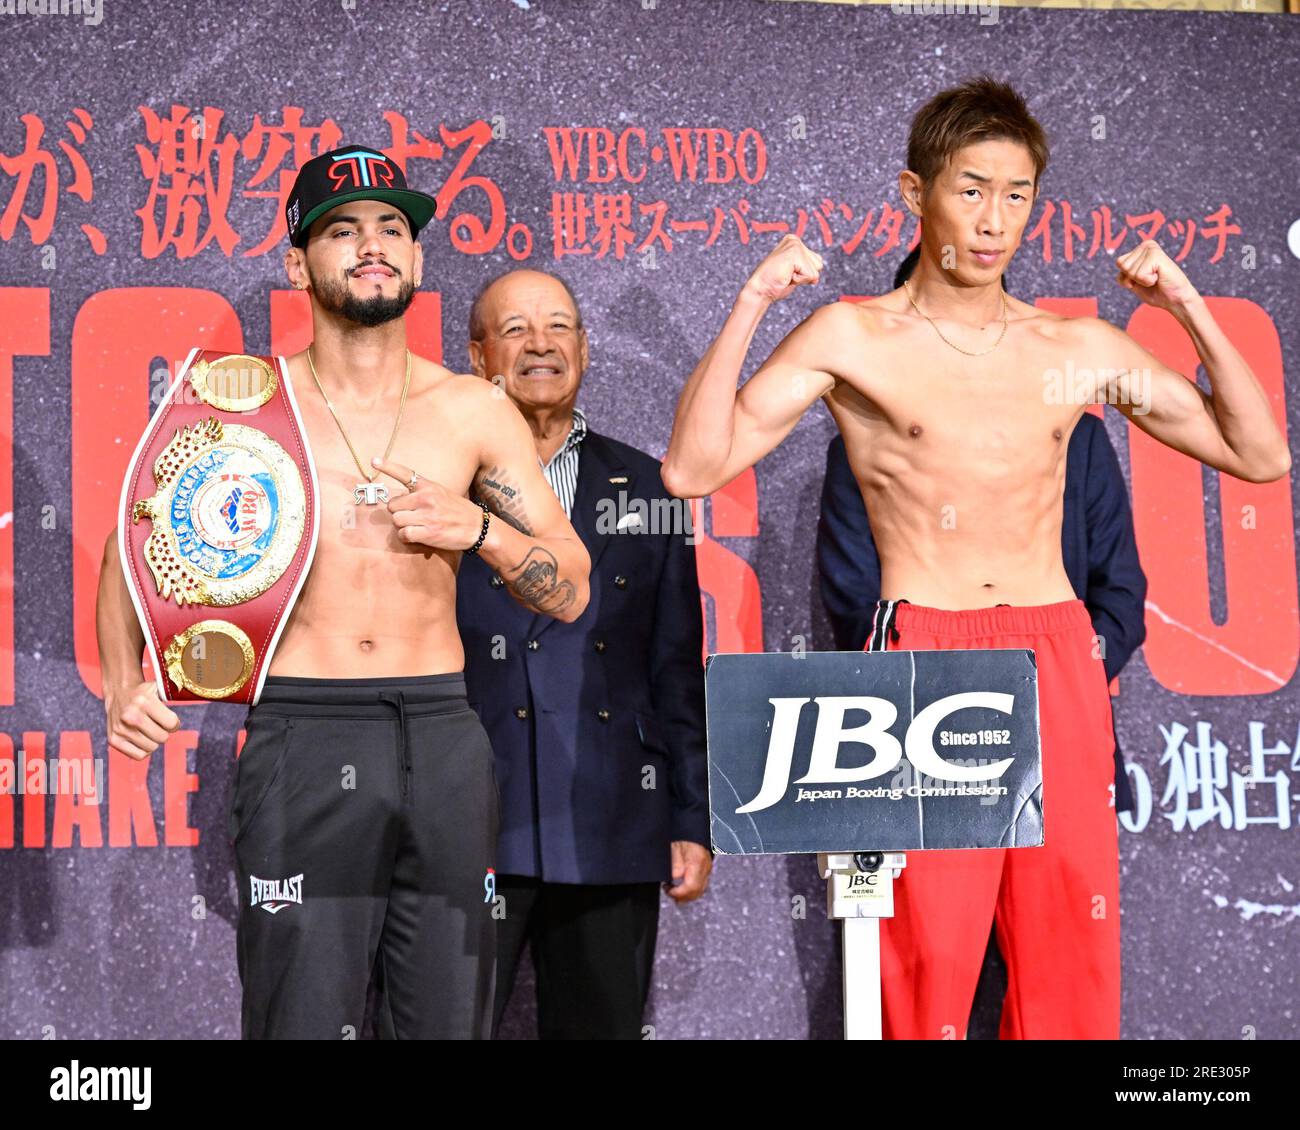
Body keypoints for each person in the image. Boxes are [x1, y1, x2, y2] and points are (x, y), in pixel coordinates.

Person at [660, 77, 1289, 1040]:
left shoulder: (1068, 346)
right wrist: (751, 300)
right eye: (971, 189)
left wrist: (1185, 302)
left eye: (1017, 195)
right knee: (928, 971)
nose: (994, 221)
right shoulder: (854, 337)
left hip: (1057, 654)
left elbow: (1261, 453)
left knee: (1070, 972)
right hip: (926, 658)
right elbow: (692, 467)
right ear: (916, 195)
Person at [96, 144, 591, 1039]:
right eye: (342, 230)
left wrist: (478, 529)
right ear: (298, 262)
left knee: (447, 1021)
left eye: (392, 228)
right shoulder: (239, 403)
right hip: (301, 730)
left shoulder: (473, 409)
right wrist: (123, 682)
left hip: (443, 736)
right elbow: (129, 545)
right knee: (302, 1017)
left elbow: (570, 589)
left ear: (418, 258)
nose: (373, 245)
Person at [458, 269, 711, 1040]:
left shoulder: (647, 487)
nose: (541, 345)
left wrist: (690, 816)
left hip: (611, 816)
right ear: (477, 356)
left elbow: (675, 667)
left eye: (560, 327)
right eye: (516, 330)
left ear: (585, 350)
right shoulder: (437, 478)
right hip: (468, 818)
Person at [817, 254, 1147, 815]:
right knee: (930, 904)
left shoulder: (1080, 438)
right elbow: (855, 598)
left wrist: (1055, 686)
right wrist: (947, 698)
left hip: (1059, 721)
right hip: (918, 734)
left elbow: (1120, 594)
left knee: (1061, 903)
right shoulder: (858, 449)